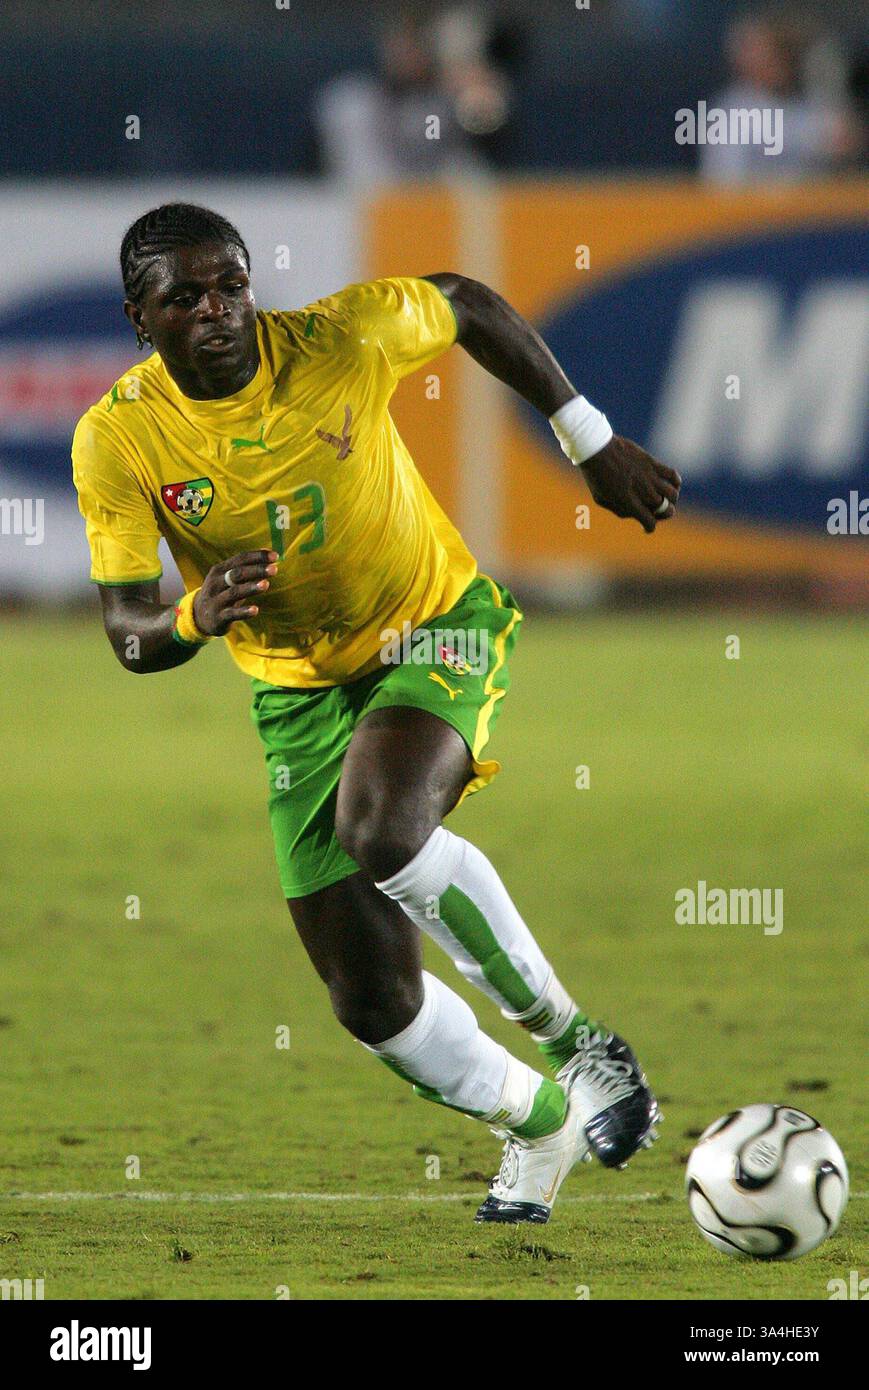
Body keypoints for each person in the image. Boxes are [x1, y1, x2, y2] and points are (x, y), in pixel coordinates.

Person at [71, 202, 680, 1224]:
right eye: (187, 296)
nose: (217, 310)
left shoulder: (341, 338)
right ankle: (536, 1122)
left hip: (433, 625)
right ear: (143, 317)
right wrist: (191, 614)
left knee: (383, 829)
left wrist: (589, 440)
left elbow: (471, 304)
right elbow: (129, 630)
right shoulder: (119, 438)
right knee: (372, 1002)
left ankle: (578, 1046)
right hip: (295, 694)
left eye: (230, 283)